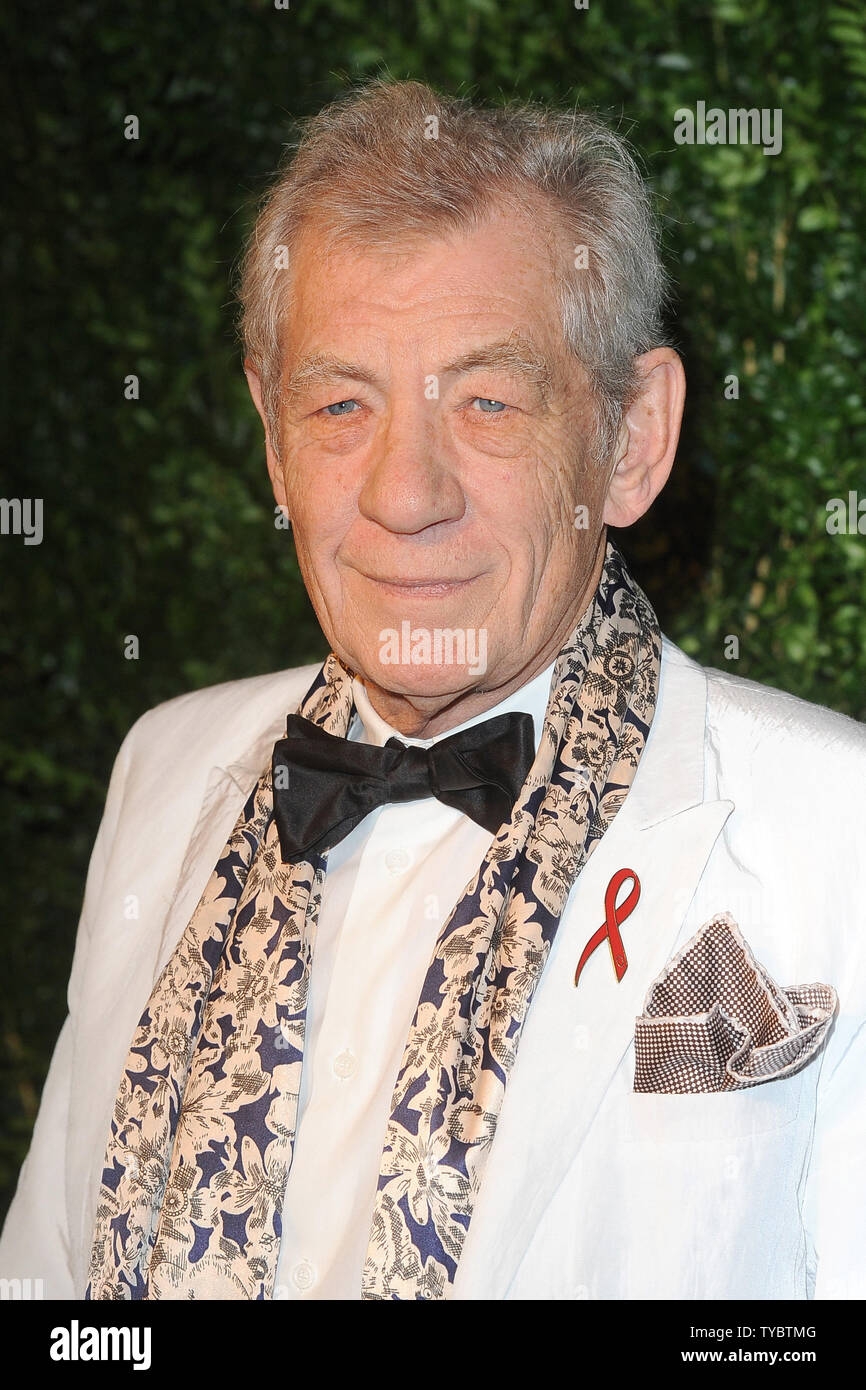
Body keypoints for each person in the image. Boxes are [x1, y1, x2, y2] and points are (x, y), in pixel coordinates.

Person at [1, 78, 864, 1302]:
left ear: (630, 441)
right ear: (270, 440)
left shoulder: (838, 829)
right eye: (340, 404)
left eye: (488, 403)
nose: (406, 494)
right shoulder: (164, 767)